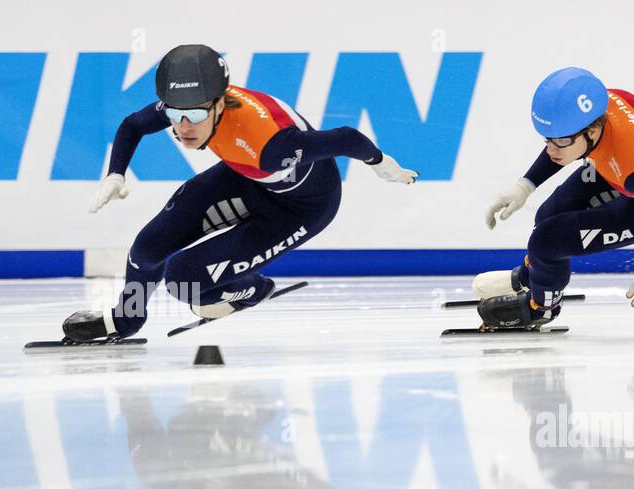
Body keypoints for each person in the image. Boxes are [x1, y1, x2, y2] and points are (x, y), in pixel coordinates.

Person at [64, 43, 417, 342]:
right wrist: (115, 175)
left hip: (302, 208)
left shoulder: (271, 144)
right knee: (147, 248)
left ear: (220, 104)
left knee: (183, 281)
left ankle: (254, 288)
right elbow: (132, 125)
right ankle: (127, 318)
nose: (184, 127)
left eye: (196, 116)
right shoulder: (191, 102)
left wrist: (381, 163)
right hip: (247, 179)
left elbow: (346, 138)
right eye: (175, 114)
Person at [473, 67, 634, 329]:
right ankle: (535, 276)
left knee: (546, 241)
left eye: (560, 141)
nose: (551, 149)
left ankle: (542, 308)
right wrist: (526, 185)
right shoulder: (594, 107)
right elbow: (561, 144)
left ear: (593, 131)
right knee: (548, 215)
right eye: (546, 140)